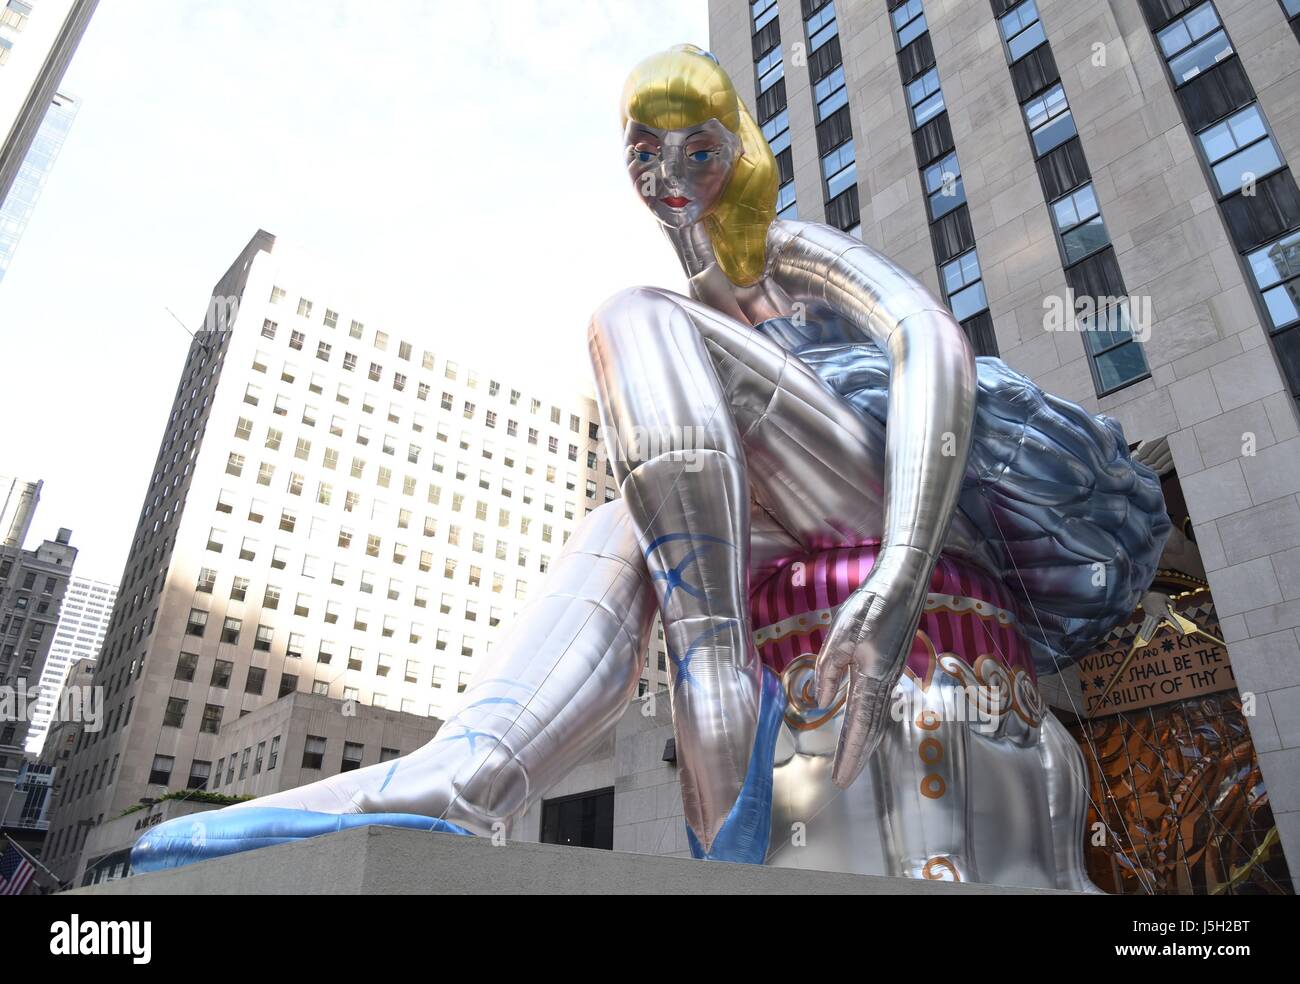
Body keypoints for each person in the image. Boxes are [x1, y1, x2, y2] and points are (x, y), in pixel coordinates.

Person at [133, 46, 1167, 886]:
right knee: (617, 523)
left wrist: (899, 577)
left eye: (695, 153)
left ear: (737, 150)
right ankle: (470, 770)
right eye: (644, 157)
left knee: (631, 317)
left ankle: (715, 684)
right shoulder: (691, 319)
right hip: (773, 532)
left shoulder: (782, 249)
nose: (669, 180)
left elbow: (930, 340)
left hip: (882, 493)